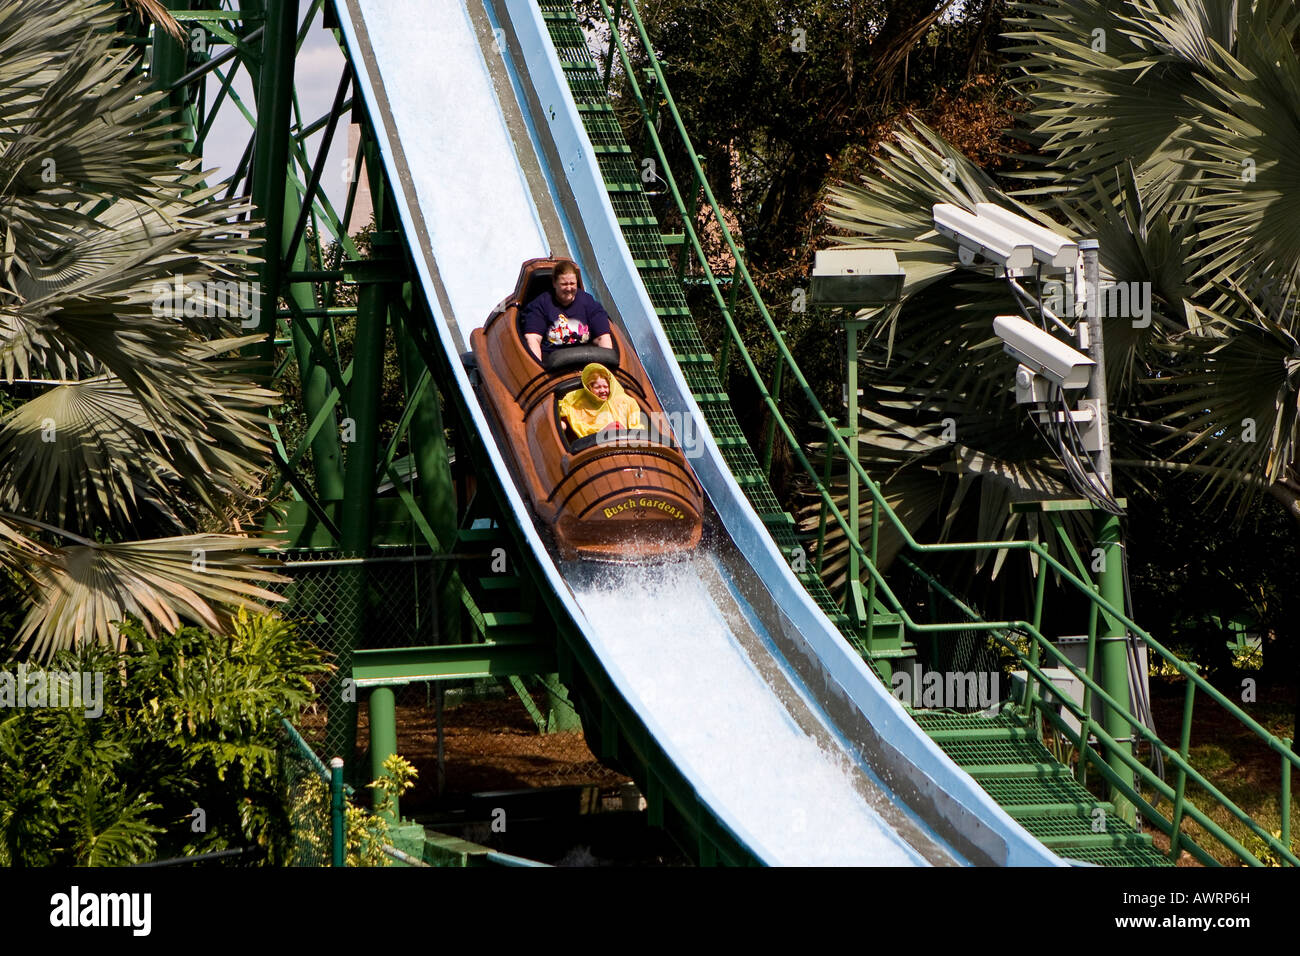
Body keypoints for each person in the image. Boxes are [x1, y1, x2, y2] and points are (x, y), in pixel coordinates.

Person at [522, 261, 614, 361]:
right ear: (554, 283)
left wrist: (605, 369)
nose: (569, 288)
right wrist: (538, 368)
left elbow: (603, 337)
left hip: (586, 358)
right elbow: (533, 338)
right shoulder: (541, 304)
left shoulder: (588, 302)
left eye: (572, 283)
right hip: (553, 362)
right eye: (564, 284)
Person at [558, 363, 641, 439]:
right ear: (589, 388)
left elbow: (637, 428)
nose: (602, 390)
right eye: (598, 387)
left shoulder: (625, 402)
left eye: (605, 387)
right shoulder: (576, 403)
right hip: (591, 449)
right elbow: (564, 422)